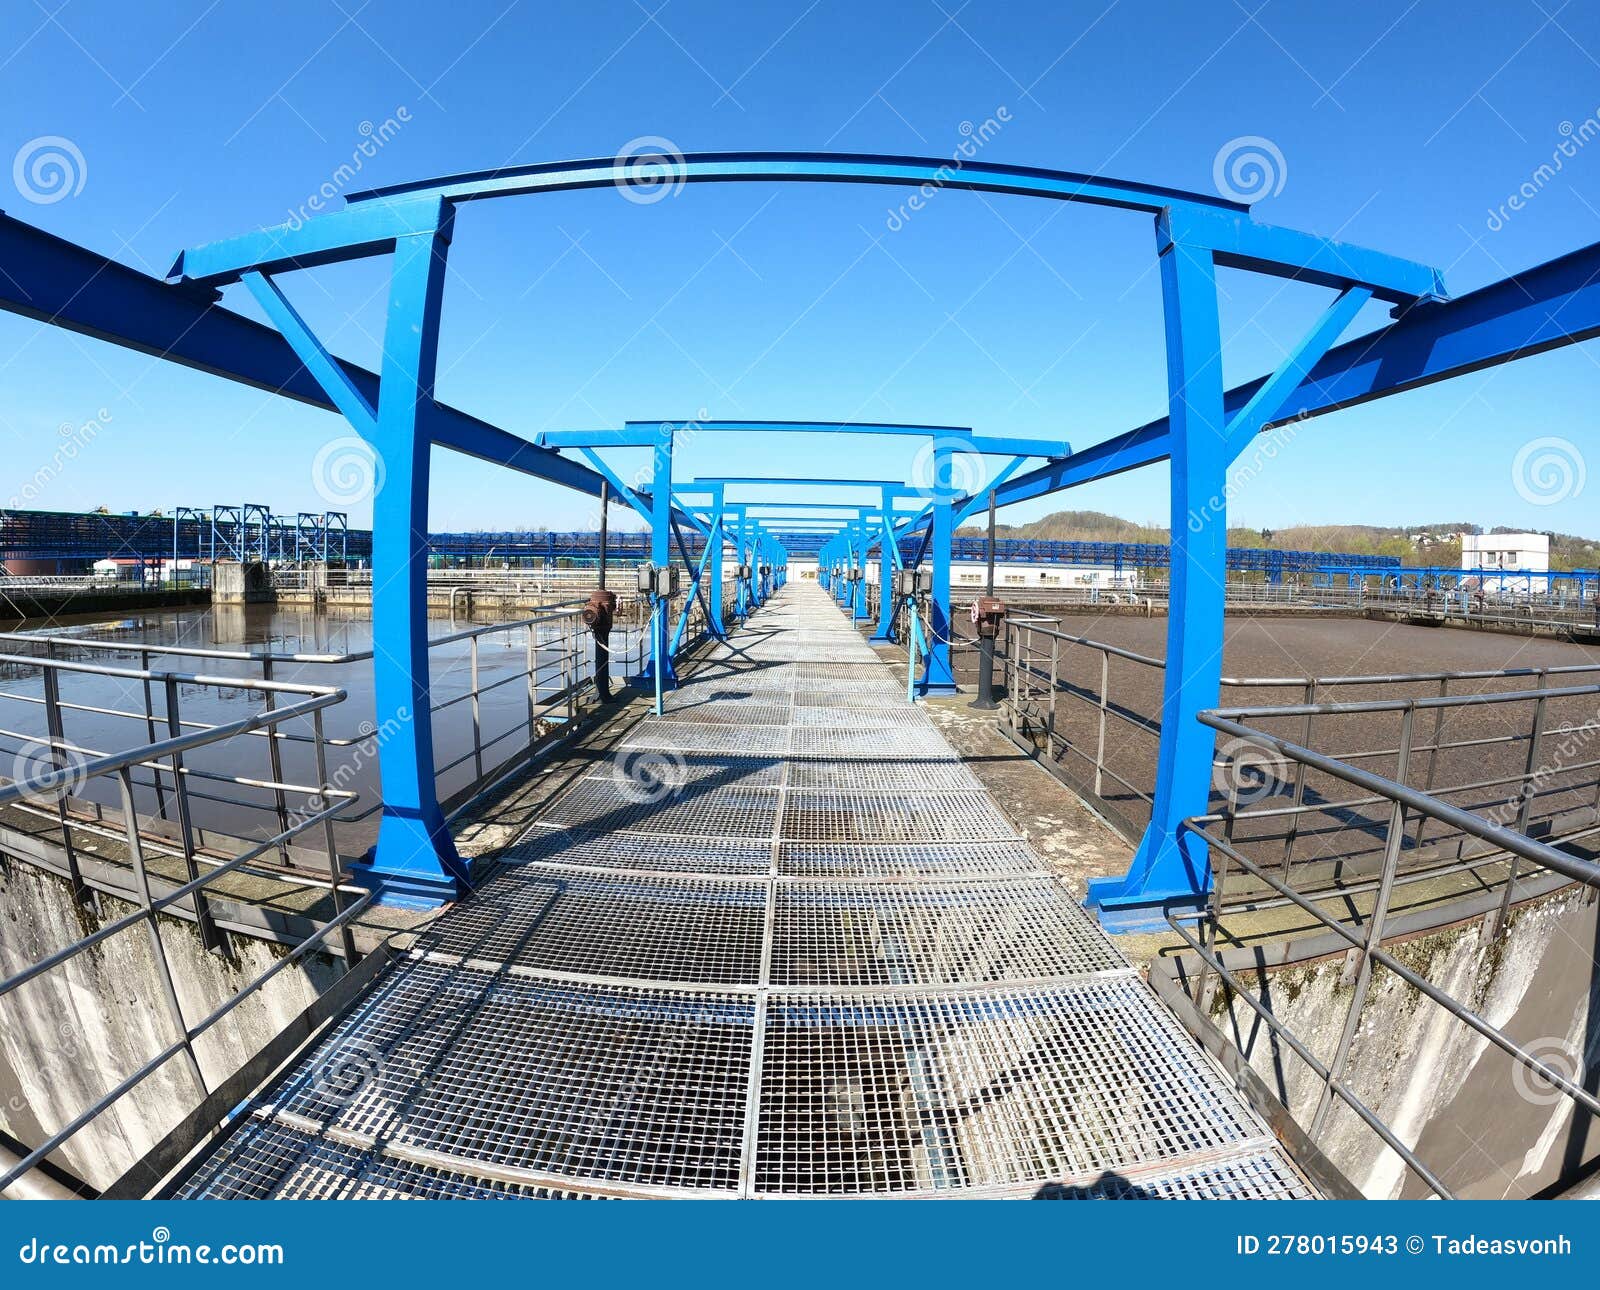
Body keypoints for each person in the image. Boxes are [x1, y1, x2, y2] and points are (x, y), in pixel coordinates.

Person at [582, 589, 617, 701]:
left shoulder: (600, 610)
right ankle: (602, 692)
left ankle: (602, 692)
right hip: (601, 628)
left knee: (601, 657)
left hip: (602, 628)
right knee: (602, 656)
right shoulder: (599, 610)